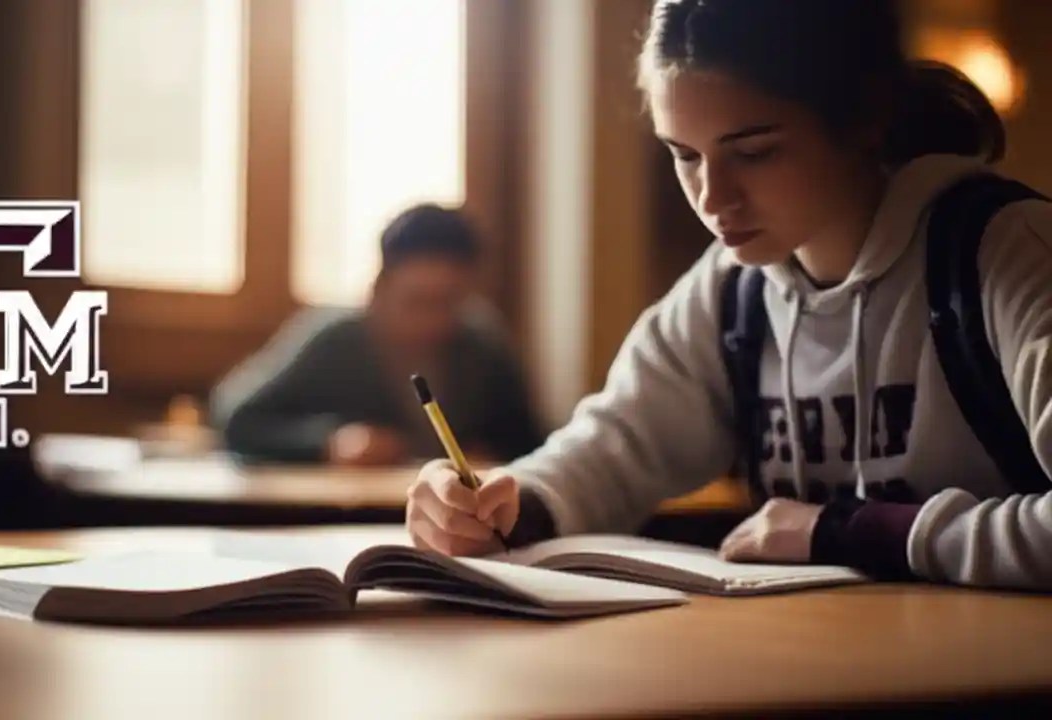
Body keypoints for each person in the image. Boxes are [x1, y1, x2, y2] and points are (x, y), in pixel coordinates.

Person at [405, 0, 1052, 590]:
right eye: (685, 155)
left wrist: (854, 532)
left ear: (866, 118)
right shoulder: (733, 290)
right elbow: (609, 452)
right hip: (831, 657)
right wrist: (501, 505)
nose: (713, 199)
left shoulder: (1006, 253)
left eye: (756, 152)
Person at [211, 204, 545, 467]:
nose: (433, 321)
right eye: (417, 302)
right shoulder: (334, 341)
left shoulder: (483, 346)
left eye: (451, 303)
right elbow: (238, 420)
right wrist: (330, 442)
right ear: (379, 288)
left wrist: (493, 455)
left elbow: (533, 443)